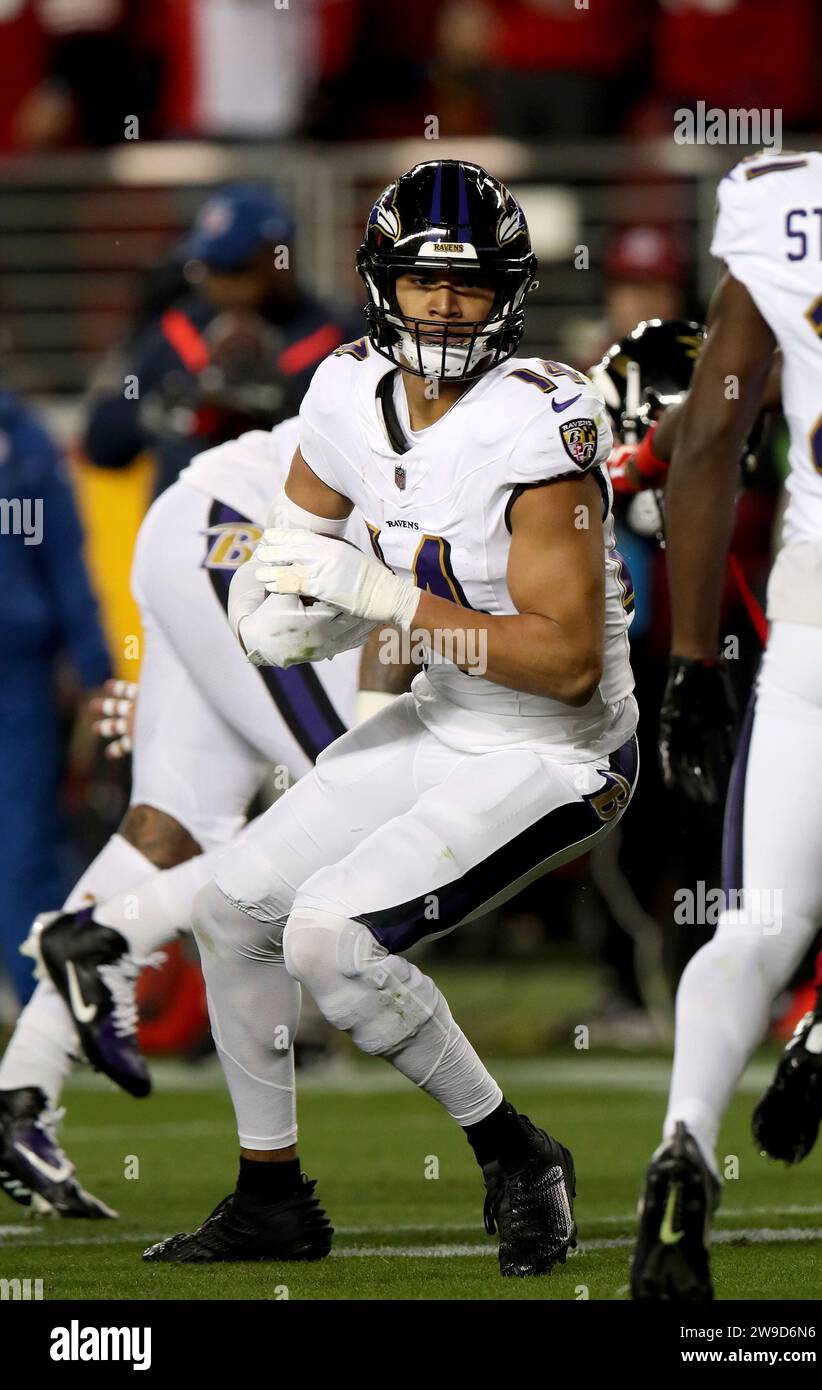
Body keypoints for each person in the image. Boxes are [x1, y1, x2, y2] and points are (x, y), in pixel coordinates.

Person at [130, 159, 638, 1276]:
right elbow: (290, 550)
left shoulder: (538, 424)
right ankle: (272, 1195)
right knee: (233, 905)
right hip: (443, 710)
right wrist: (279, 615)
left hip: (555, 749)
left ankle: (512, 1152)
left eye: (469, 285)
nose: (445, 306)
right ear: (380, 283)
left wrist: (382, 600)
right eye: (422, 281)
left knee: (328, 937)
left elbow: (559, 667)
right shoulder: (344, 390)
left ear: (508, 291)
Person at [0, 414, 395, 1223]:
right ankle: (102, 934)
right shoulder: (515, 421)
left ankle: (20, 1096)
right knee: (365, 799)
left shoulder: (478, 390)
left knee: (171, 832)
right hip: (240, 540)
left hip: (210, 532)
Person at [630, 3, 822, 1300]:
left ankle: (681, 1142)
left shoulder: (791, 205)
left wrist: (686, 662)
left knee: (751, 929)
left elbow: (706, 445)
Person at [83, 184, 353, 497]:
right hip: (185, 535)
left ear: (281, 261)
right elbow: (103, 448)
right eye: (206, 270)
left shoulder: (337, 340)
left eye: (234, 269)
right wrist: (169, 408)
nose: (218, 286)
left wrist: (281, 406)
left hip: (292, 536)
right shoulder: (179, 331)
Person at [0, 384, 111, 1006]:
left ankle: (47, 1012)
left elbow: (65, 557)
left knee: (23, 849)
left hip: (18, 677)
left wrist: (95, 669)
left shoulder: (23, 438)